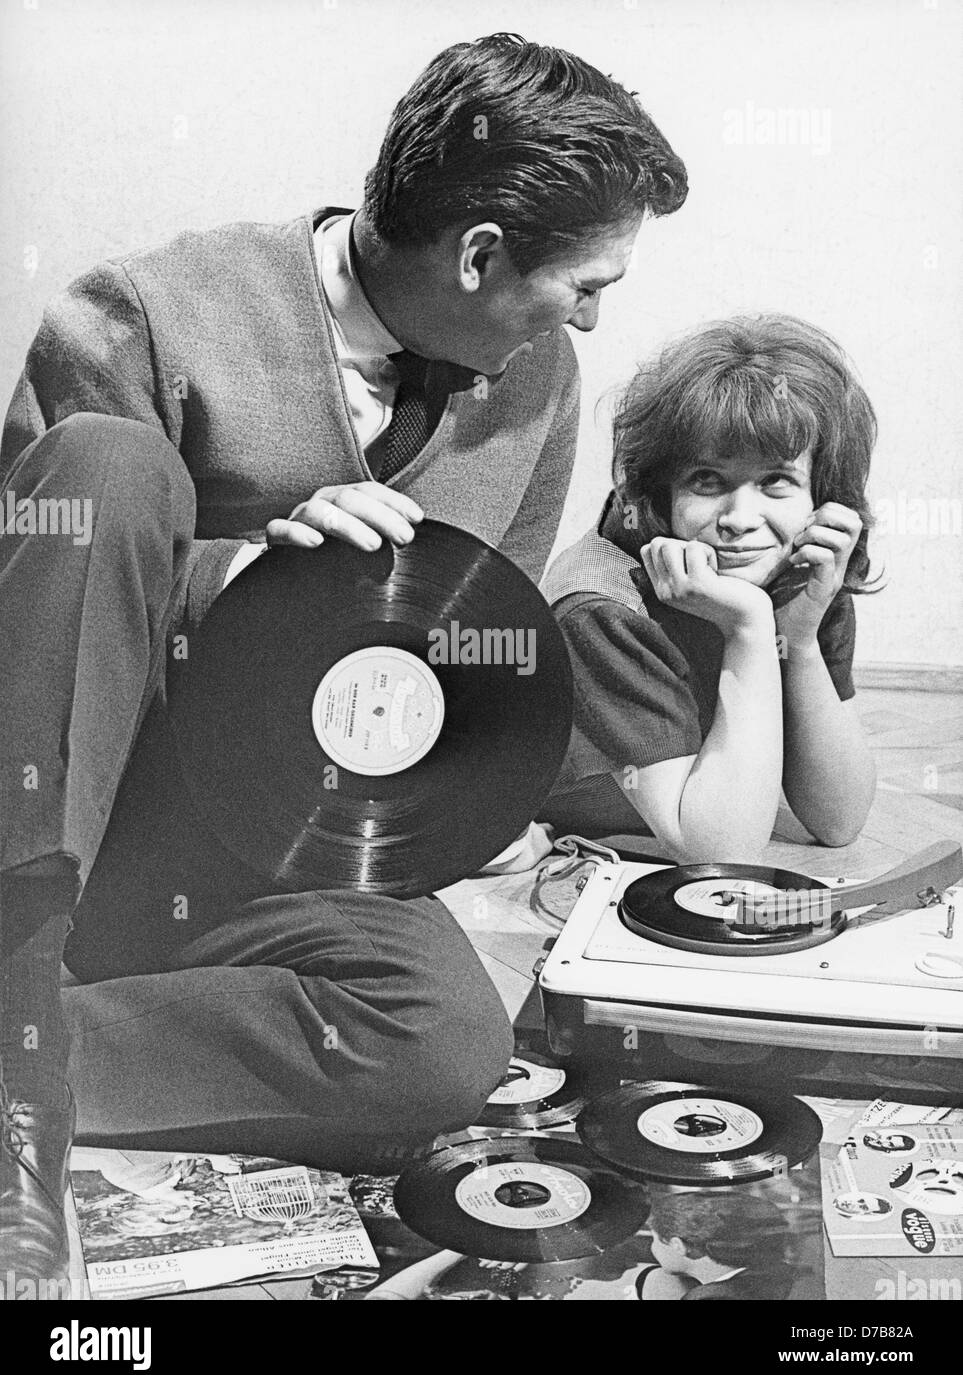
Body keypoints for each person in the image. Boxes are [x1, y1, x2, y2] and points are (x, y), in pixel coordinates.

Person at [0, 34, 687, 1283]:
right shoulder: (140, 315)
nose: (591, 315)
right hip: (69, 834)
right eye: (584, 283)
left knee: (444, 1049)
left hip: (281, 850)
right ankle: (21, 1075)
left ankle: (25, 1040)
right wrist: (236, 577)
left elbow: (482, 652)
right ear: (480, 254)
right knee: (108, 459)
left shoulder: (541, 380)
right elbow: (37, 600)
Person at [540, 314, 877, 859]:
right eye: (707, 480)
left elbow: (838, 819)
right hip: (576, 828)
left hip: (710, 804)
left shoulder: (802, 568)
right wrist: (749, 628)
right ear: (660, 491)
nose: (740, 519)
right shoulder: (601, 609)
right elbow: (720, 854)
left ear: (822, 495)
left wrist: (800, 641)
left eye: (776, 481)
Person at [636, 1190, 797, 1300]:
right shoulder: (781, 1278)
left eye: (654, 1239)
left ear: (679, 1246)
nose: (652, 1247)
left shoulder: (709, 1297)